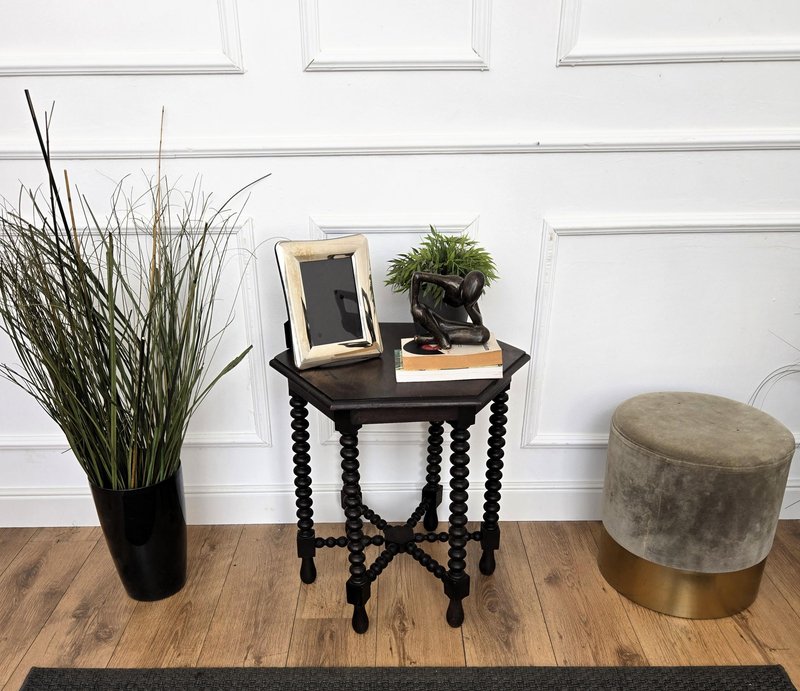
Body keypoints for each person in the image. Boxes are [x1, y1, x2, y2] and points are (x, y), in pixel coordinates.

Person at [410, 270, 490, 350]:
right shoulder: (451, 282)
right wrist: (414, 303)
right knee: (418, 311)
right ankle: (440, 337)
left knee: (483, 333)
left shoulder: (471, 297)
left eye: (468, 300)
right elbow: (417, 275)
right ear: (463, 286)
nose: (465, 301)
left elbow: (478, 324)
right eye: (463, 296)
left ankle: (436, 337)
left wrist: (470, 307)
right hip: (432, 314)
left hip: (443, 324)